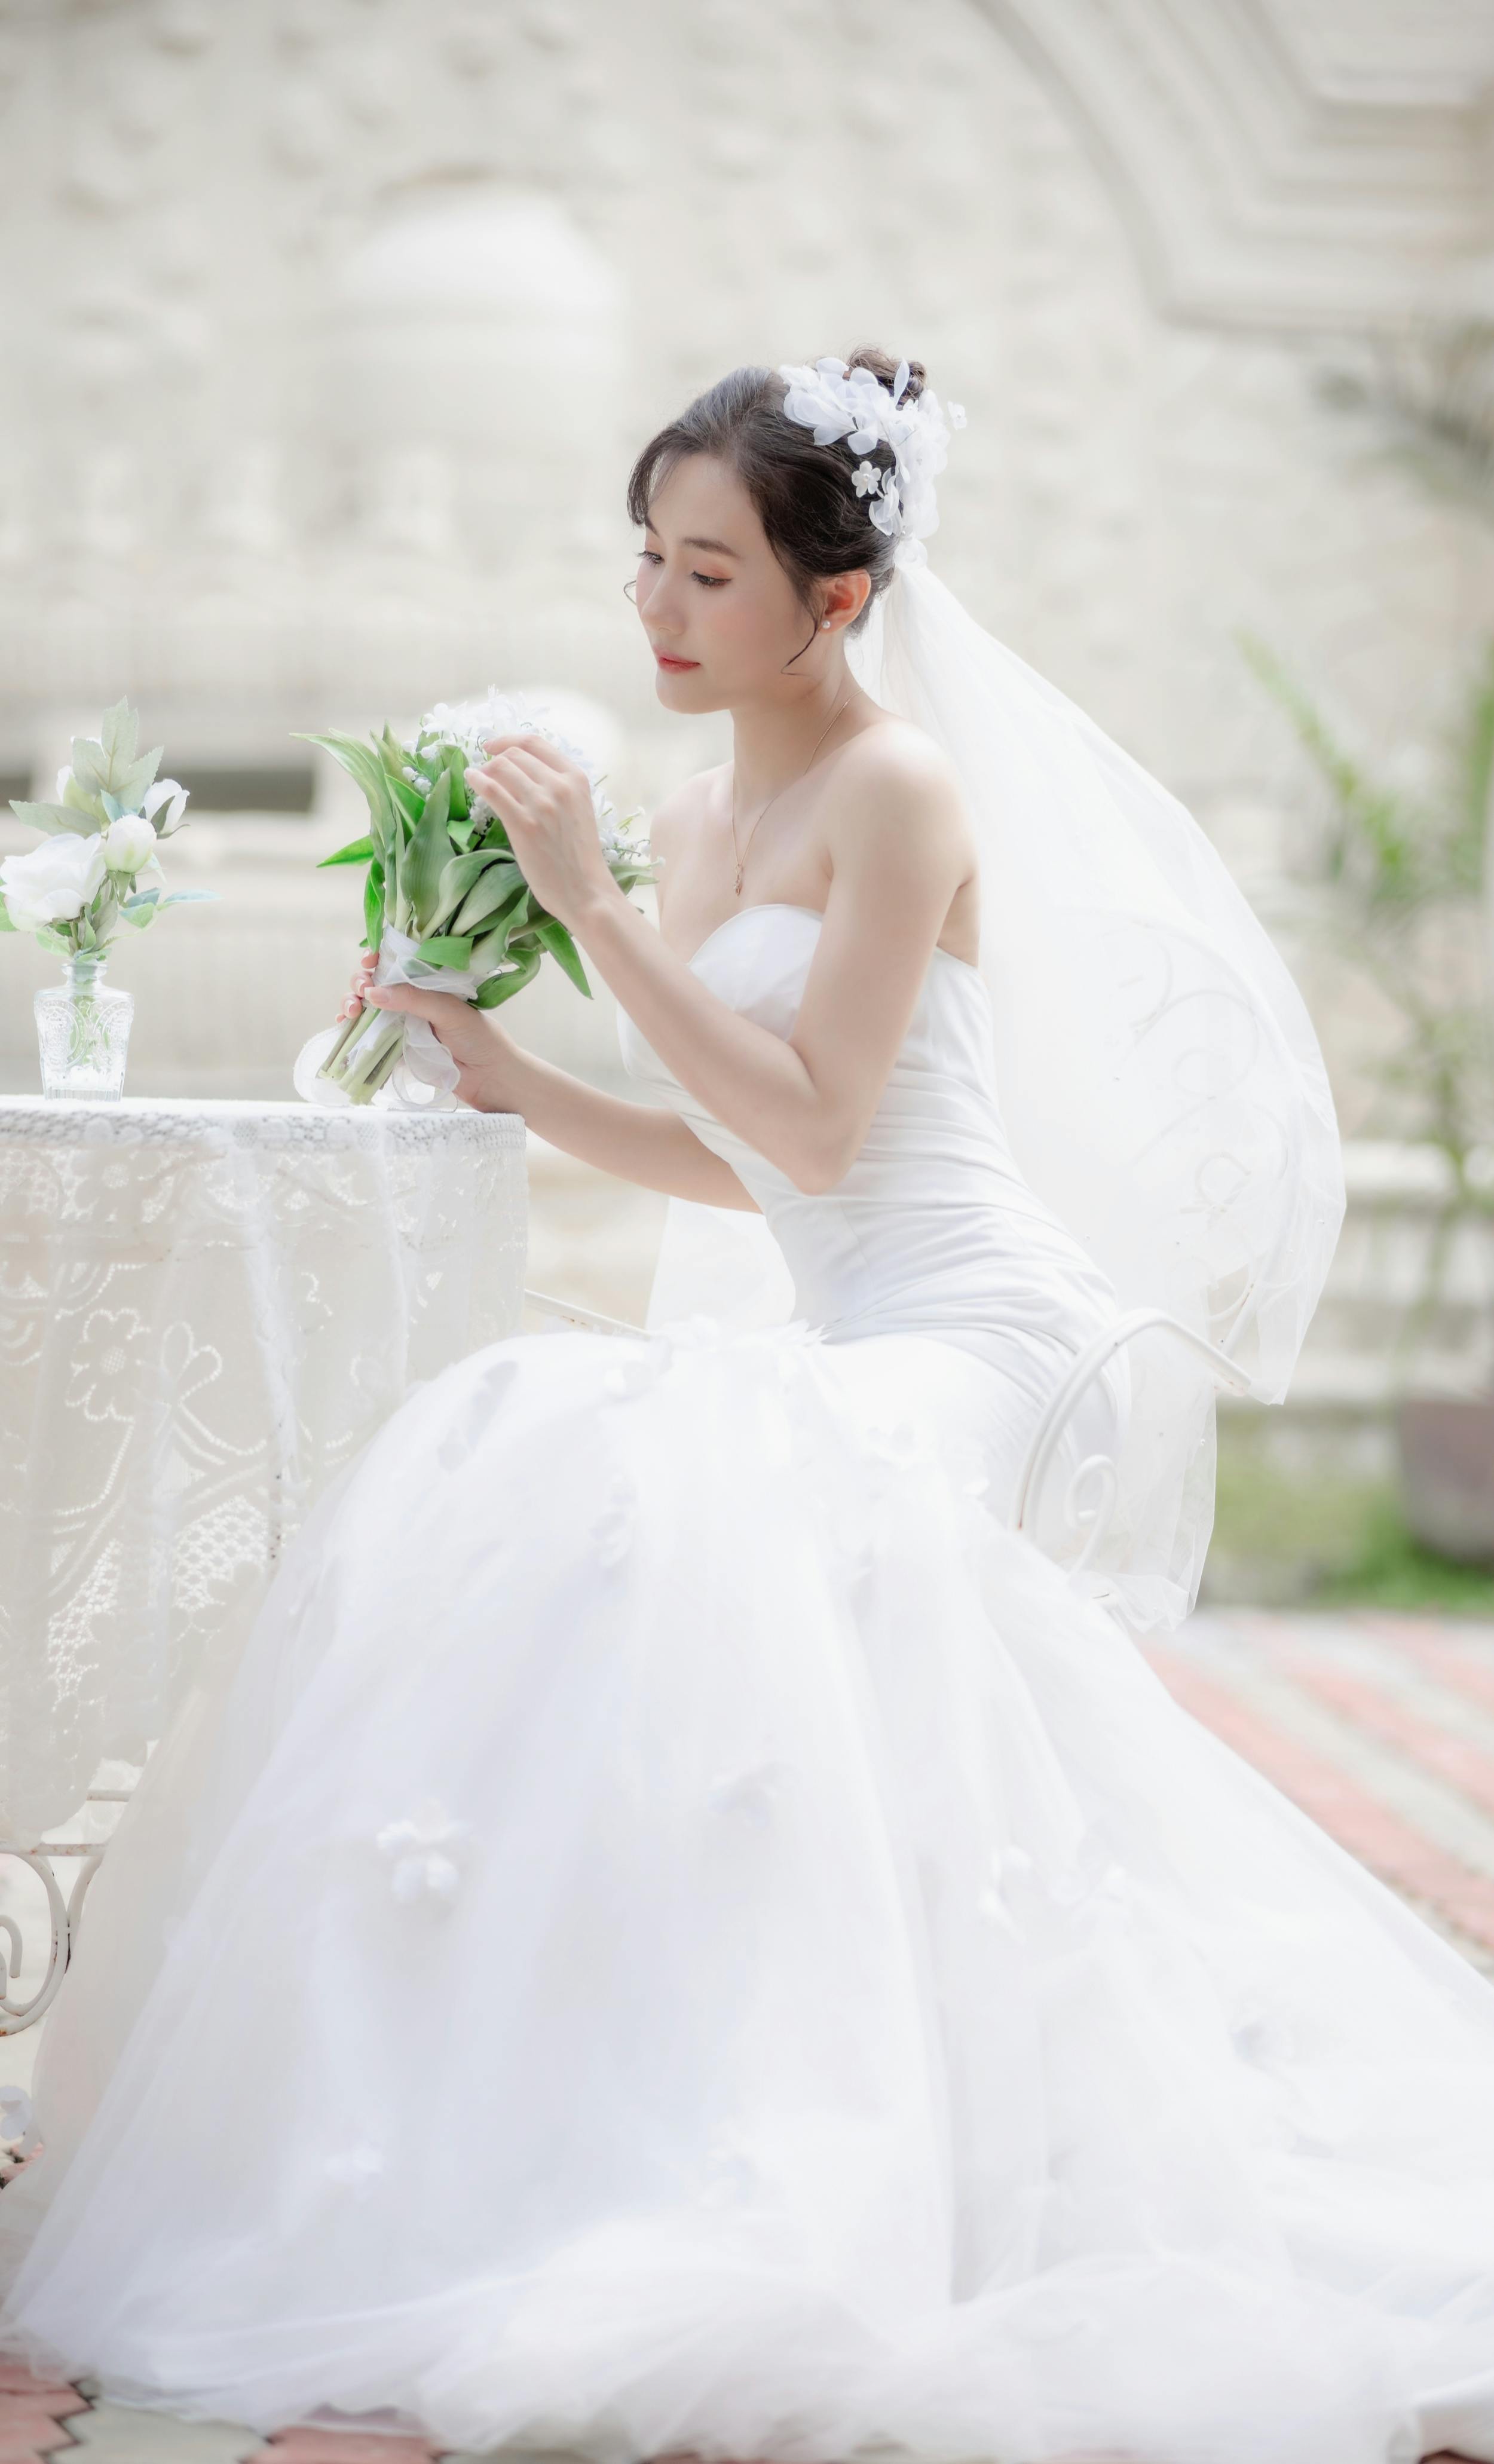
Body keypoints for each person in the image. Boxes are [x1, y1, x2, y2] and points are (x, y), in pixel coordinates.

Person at [2, 349, 1493, 2464]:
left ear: (839, 600)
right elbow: (738, 1157)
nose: (661, 608)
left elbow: (818, 1123)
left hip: (969, 1334)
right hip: (836, 1315)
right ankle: (564, 2131)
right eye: (647, 559)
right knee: (528, 1449)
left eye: (712, 569)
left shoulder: (895, 794)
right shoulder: (705, 813)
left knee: (683, 1477)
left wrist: (593, 911)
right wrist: (513, 1075)